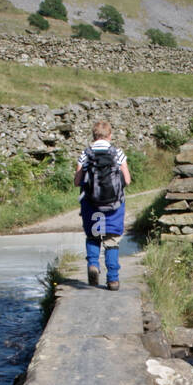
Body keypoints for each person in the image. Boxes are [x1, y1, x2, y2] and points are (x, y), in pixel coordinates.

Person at [74, 119, 131, 289]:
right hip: (114, 206)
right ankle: (113, 279)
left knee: (93, 236)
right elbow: (127, 180)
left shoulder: (85, 154)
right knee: (111, 240)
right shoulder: (117, 153)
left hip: (91, 205)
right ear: (110, 135)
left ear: (93, 135)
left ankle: (93, 265)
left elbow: (77, 182)